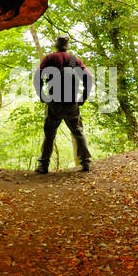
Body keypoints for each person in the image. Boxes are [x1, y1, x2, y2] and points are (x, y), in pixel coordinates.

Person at [33, 36, 93, 174]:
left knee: (49, 134)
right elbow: (88, 77)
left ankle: (43, 165)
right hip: (71, 102)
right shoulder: (73, 59)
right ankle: (85, 163)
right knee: (78, 132)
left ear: (56, 45)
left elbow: (37, 77)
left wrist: (42, 96)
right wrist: (83, 98)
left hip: (54, 102)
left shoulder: (49, 58)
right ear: (67, 46)